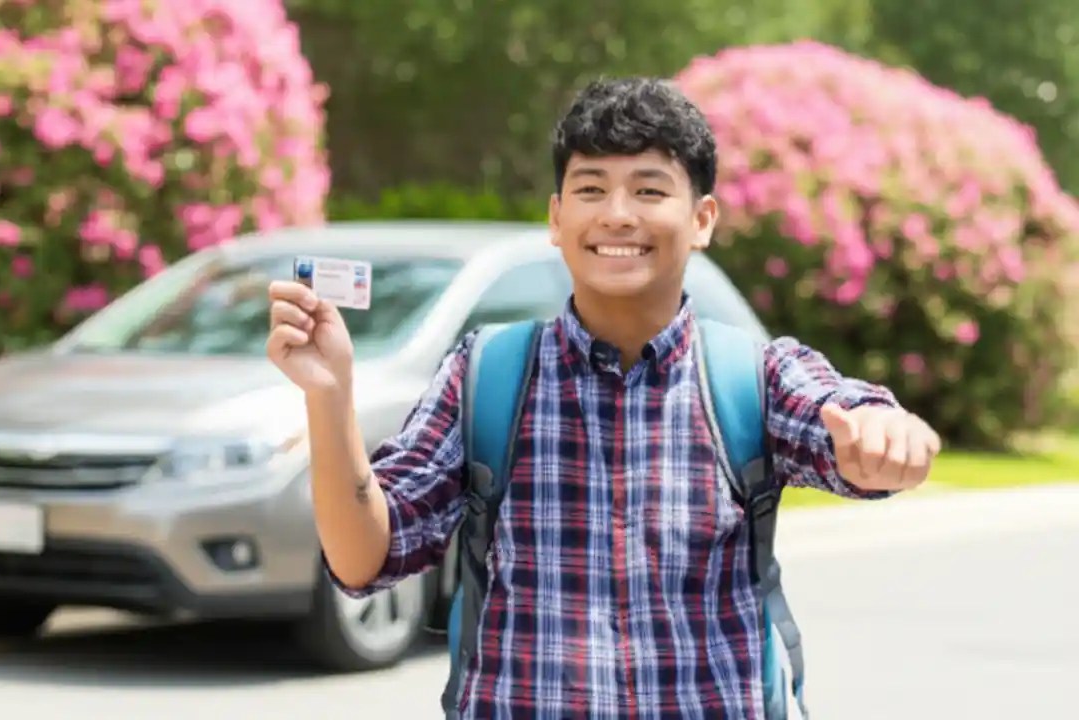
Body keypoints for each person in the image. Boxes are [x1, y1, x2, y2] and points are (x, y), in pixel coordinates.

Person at [265, 76, 942, 719]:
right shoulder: (488, 374)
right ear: (557, 219)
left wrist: (884, 435)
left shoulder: (750, 376)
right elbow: (364, 559)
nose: (617, 216)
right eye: (590, 189)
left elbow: (849, 421)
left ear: (702, 219)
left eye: (649, 191)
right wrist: (330, 398)